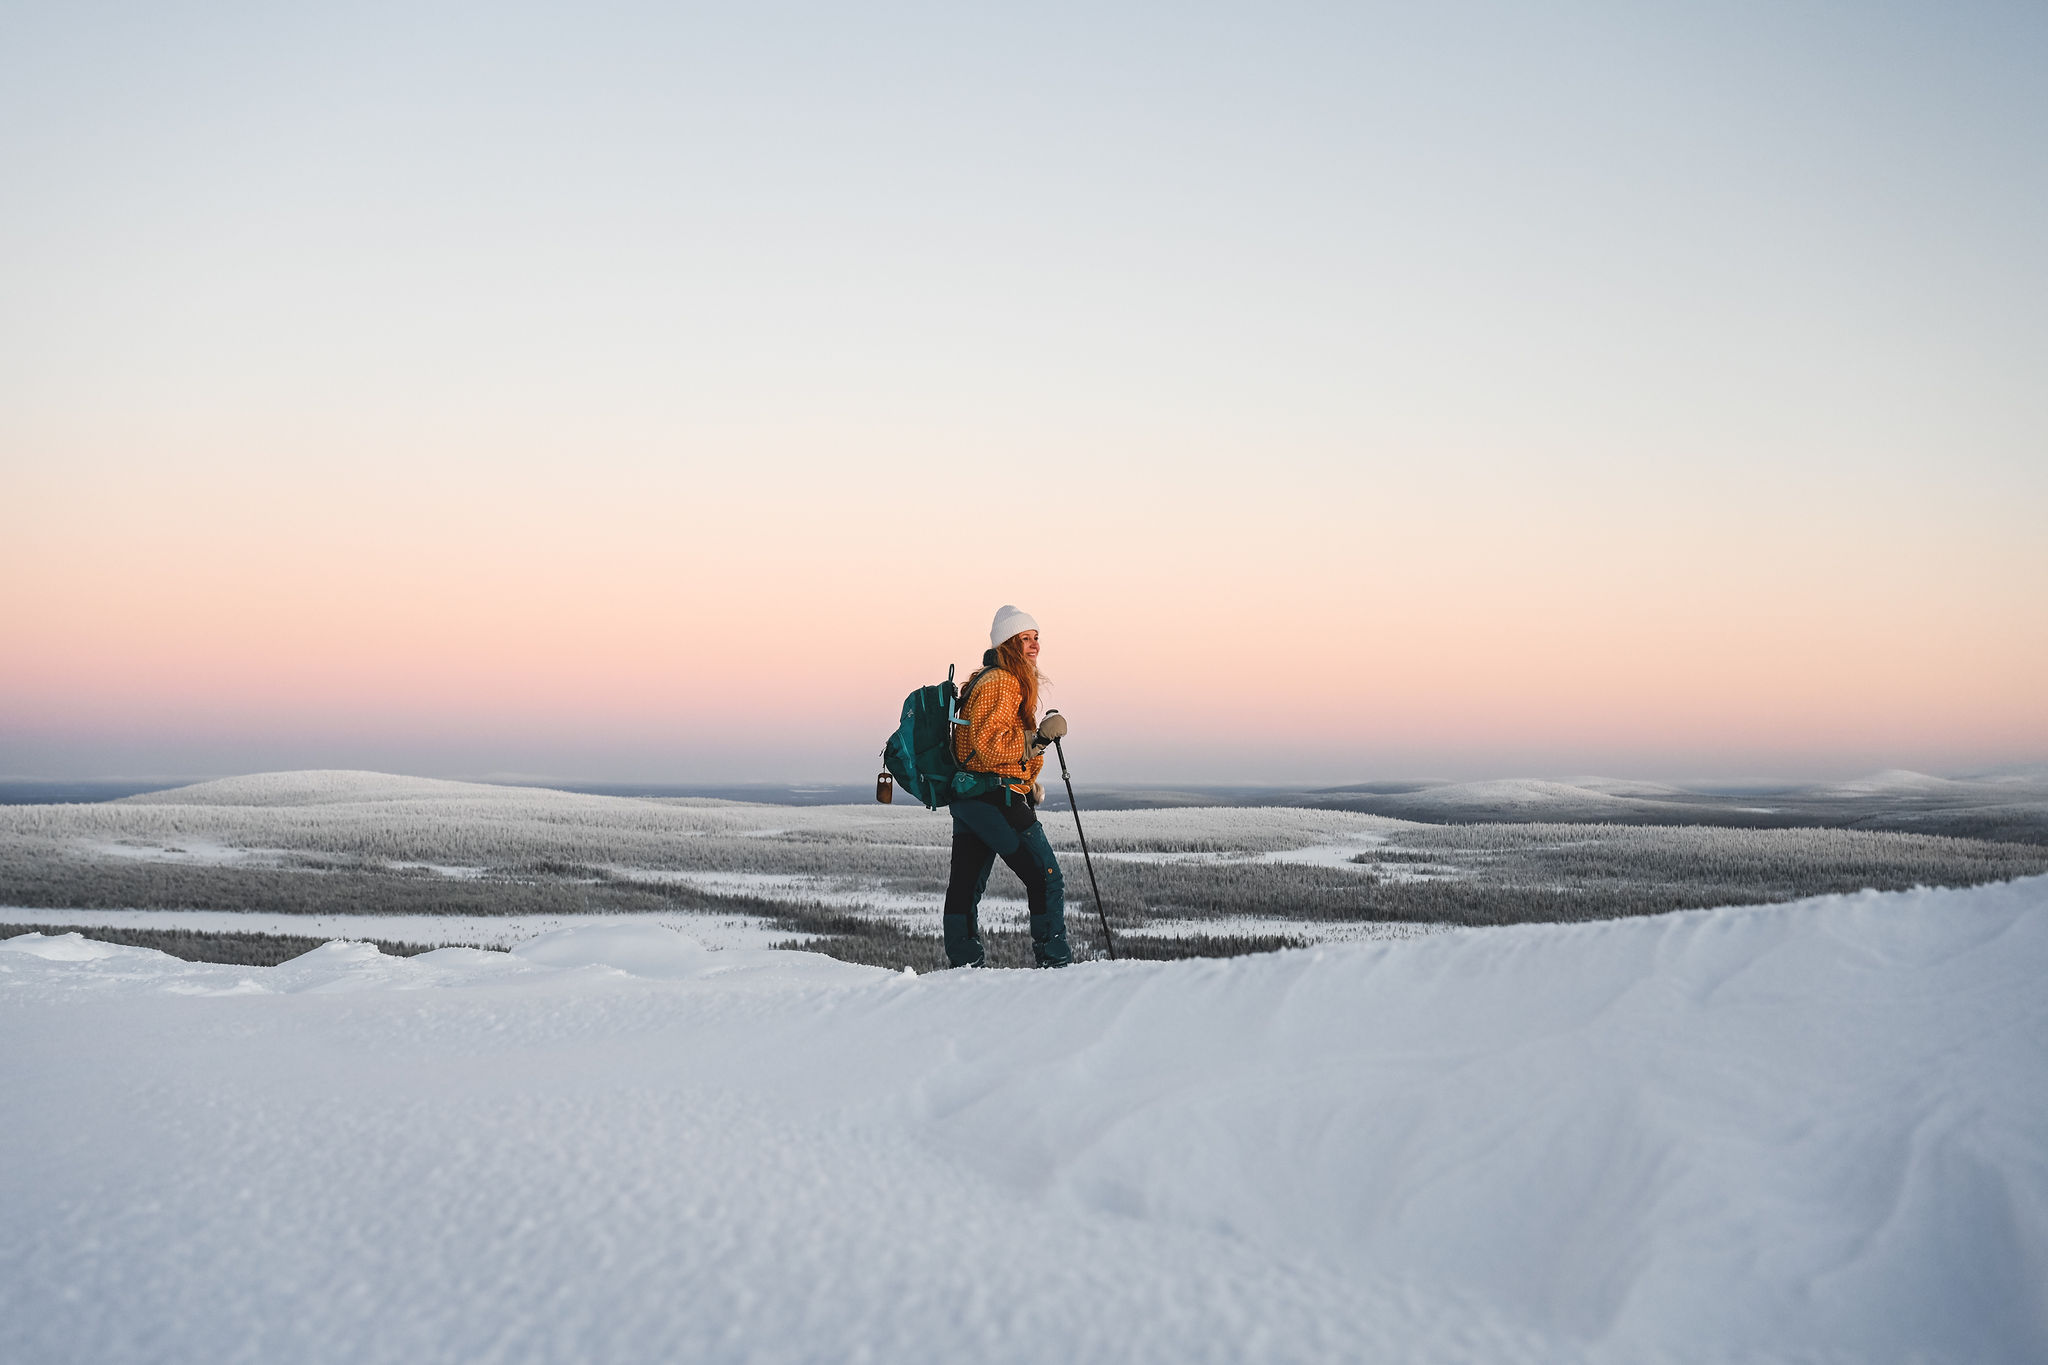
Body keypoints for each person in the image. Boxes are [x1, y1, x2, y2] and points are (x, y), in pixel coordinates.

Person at [943, 605, 1073, 969]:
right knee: (1046, 877)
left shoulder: (986, 679)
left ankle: (965, 965)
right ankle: (1055, 963)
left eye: (1036, 638)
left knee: (965, 885)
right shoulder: (1003, 681)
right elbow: (989, 746)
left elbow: (979, 746)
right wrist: (1039, 739)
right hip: (995, 797)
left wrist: (1028, 781)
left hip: (971, 799)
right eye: (1025, 638)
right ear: (1008, 643)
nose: (1034, 645)